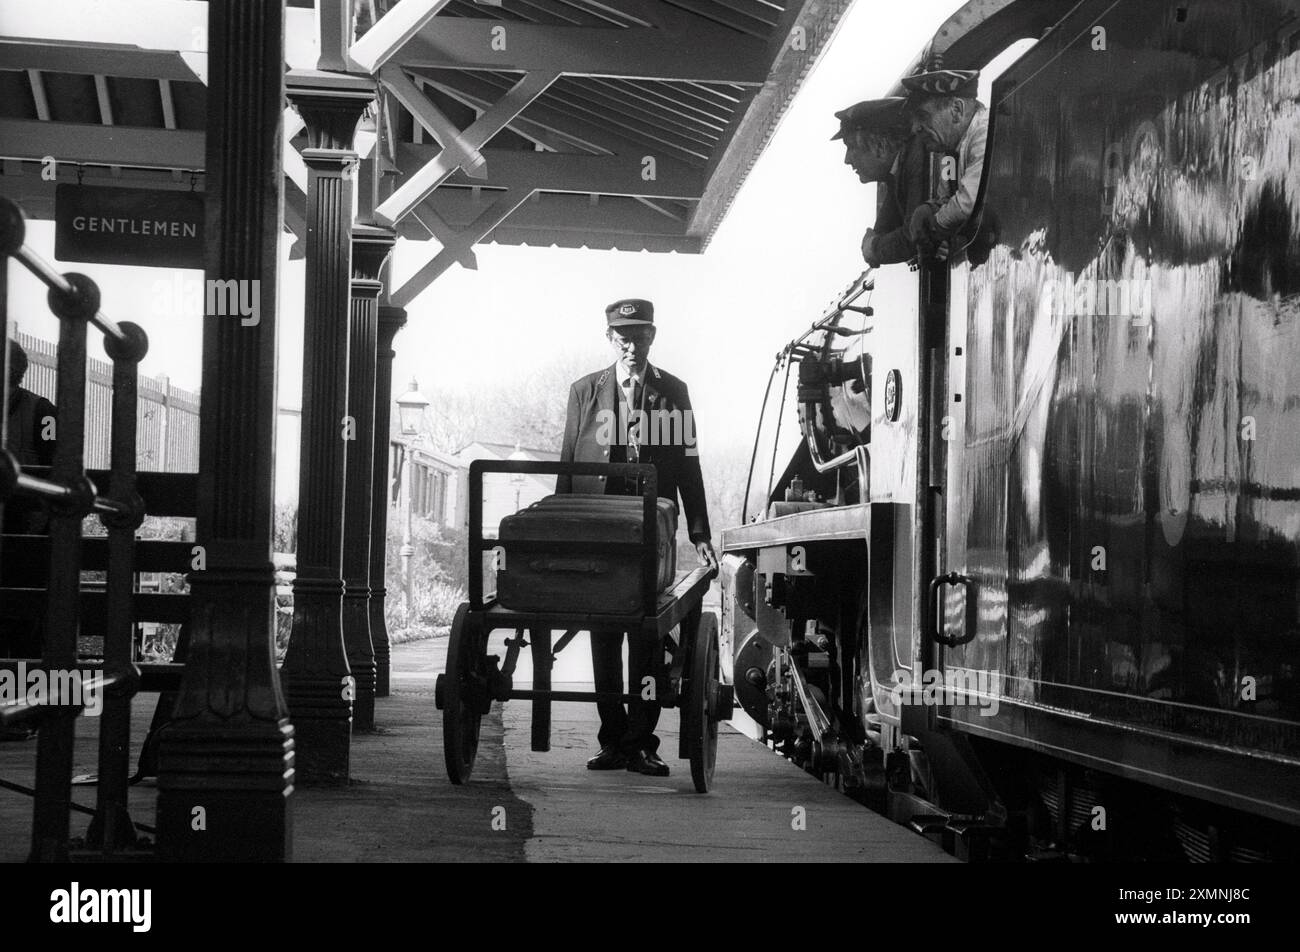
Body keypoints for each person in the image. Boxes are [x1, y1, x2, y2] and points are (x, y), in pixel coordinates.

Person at [557, 299, 716, 777]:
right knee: (603, 635)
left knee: (647, 638)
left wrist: (700, 531)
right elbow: (568, 466)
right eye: (622, 337)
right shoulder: (585, 391)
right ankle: (613, 742)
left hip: (652, 533)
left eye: (640, 336)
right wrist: (562, 531)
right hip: (600, 530)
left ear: (653, 336)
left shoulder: (675, 392)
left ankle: (642, 743)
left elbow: (689, 465)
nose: (631, 345)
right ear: (609, 338)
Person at [1, 339, 57, 740]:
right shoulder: (43, 412)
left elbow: (52, 478)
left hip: (26, 528)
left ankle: (18, 714)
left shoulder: (41, 412)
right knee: (23, 624)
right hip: (27, 528)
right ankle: (19, 714)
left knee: (22, 623)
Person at [901, 66, 988, 262]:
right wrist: (929, 209)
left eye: (923, 116)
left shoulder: (985, 132)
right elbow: (946, 199)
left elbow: (968, 202)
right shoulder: (950, 152)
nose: (915, 128)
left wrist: (933, 230)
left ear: (957, 110)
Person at [832, 97, 928, 267]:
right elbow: (883, 230)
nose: (847, 160)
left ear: (880, 147)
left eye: (851, 146)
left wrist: (874, 249)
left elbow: (913, 237)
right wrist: (874, 244)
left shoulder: (915, 160)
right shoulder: (895, 173)